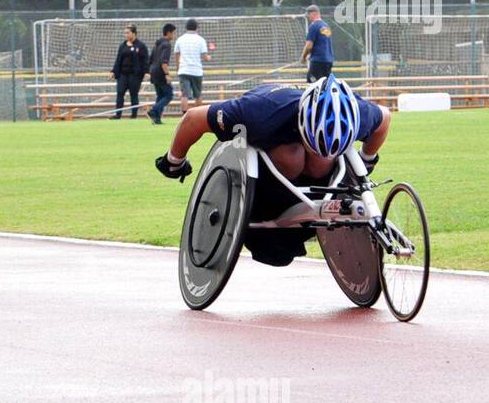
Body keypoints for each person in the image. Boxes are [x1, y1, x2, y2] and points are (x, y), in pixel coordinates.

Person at [156, 75, 391, 267]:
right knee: (293, 157)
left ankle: (315, 182)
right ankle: (282, 198)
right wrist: (174, 160)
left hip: (311, 148)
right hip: (274, 137)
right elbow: (193, 119)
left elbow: (384, 119)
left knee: (321, 162)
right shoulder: (257, 113)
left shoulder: (360, 113)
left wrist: (366, 160)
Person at [110, 25, 149, 119]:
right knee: (120, 93)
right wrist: (113, 71)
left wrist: (146, 72)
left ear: (134, 33)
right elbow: (118, 59)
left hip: (135, 75)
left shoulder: (140, 46)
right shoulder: (122, 45)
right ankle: (118, 115)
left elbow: (145, 60)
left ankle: (134, 115)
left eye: (128, 33)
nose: (126, 35)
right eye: (125, 33)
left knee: (133, 94)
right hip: (122, 74)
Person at [172, 18, 210, 112]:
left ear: (186, 27)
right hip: (197, 71)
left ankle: (184, 115)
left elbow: (176, 55)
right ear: (196, 27)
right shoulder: (201, 40)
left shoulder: (180, 39)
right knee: (198, 95)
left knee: (184, 94)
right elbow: (205, 58)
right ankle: (197, 115)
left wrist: (178, 68)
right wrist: (209, 57)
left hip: (184, 70)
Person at [148, 23, 176, 124]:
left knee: (160, 96)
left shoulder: (157, 43)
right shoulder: (166, 44)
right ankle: (154, 111)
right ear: (168, 33)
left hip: (153, 72)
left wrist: (149, 72)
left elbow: (150, 59)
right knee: (169, 95)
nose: (174, 35)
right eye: (173, 33)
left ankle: (157, 119)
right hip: (160, 73)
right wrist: (167, 74)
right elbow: (164, 61)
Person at [301, 4, 335, 82]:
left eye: (308, 14)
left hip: (317, 62)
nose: (308, 17)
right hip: (328, 62)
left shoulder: (314, 26)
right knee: (325, 85)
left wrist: (303, 57)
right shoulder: (326, 26)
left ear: (313, 13)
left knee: (312, 84)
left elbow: (309, 46)